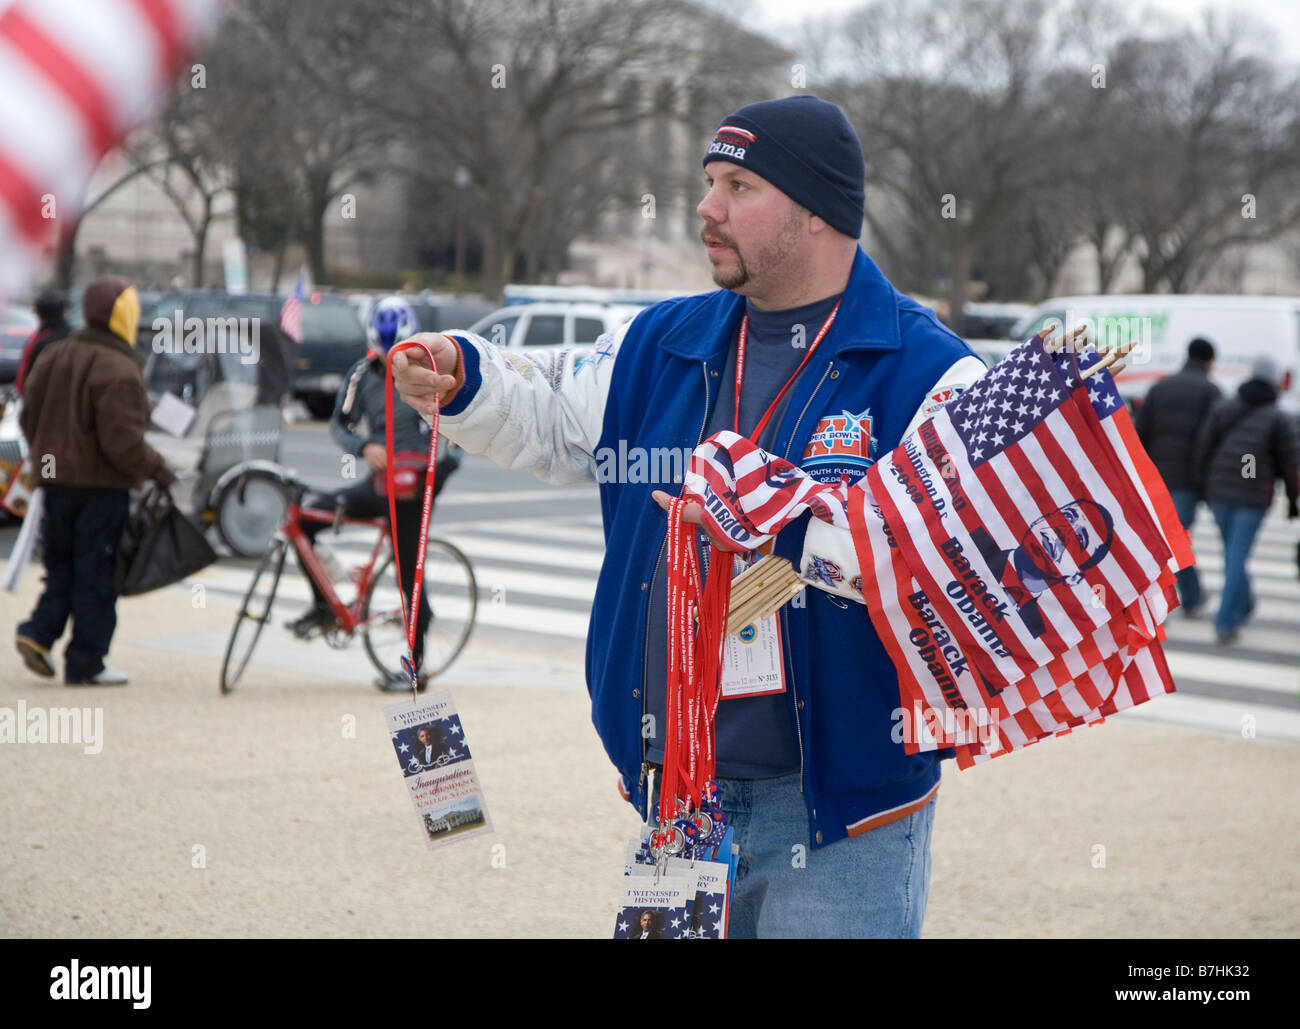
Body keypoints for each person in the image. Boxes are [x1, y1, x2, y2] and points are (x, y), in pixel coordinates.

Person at [392, 96, 987, 938]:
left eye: (740, 186)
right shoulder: (662, 339)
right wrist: (463, 373)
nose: (707, 208)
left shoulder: (928, 372)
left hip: (847, 819)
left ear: (817, 212)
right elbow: (554, 407)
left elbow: (959, 564)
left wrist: (785, 519)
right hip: (680, 798)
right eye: (709, 182)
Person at [287, 295, 458, 691]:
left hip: (415, 488)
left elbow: (464, 424)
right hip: (378, 482)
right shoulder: (362, 374)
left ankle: (416, 667)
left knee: (410, 576)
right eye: (383, 353)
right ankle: (322, 607)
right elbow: (339, 424)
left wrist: (443, 470)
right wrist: (363, 447)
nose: (390, 360)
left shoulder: (430, 371)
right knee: (306, 517)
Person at [14, 276, 176, 685]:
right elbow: (122, 443)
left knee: (62, 567)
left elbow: (28, 418)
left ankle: (38, 632)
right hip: (100, 490)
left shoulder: (54, 354)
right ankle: (86, 661)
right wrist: (158, 469)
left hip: (55, 485)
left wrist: (47, 468)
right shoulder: (119, 368)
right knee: (96, 575)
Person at [1193, 354, 1300, 644]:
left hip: (1220, 490)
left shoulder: (1224, 406)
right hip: (1251, 494)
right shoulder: (1277, 416)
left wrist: (1201, 486)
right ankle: (1225, 620)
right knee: (1236, 555)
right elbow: (1290, 462)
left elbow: (1204, 447)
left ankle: (1245, 605)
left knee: (1233, 553)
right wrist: (1293, 498)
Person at [1135, 337, 1222, 614]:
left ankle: (1169, 597)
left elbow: (1140, 433)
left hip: (1155, 477)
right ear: (1209, 361)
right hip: (1187, 480)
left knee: (1161, 541)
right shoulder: (1212, 392)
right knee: (1177, 542)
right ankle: (1189, 598)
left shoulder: (1161, 387)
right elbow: (1213, 441)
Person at [14, 289, 72, 396]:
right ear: (64, 312)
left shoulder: (39, 343)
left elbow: (25, 382)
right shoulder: (76, 338)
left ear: (39, 315)